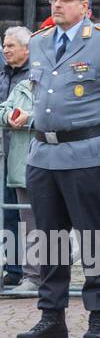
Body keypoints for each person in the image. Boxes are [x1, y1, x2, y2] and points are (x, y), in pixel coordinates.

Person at [16, 0, 100, 338]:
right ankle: (52, 316)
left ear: (85, 7)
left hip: (86, 154)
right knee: (48, 239)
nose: (57, 5)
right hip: (44, 154)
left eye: (67, 0)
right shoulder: (38, 43)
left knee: (93, 238)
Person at [0, 39, 38, 291]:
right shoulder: (17, 82)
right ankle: (24, 272)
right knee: (20, 218)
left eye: (11, 45)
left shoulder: (52, 85)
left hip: (45, 159)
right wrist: (9, 116)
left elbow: (62, 112)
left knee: (46, 221)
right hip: (15, 157)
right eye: (4, 45)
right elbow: (4, 108)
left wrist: (30, 119)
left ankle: (42, 274)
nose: (5, 49)